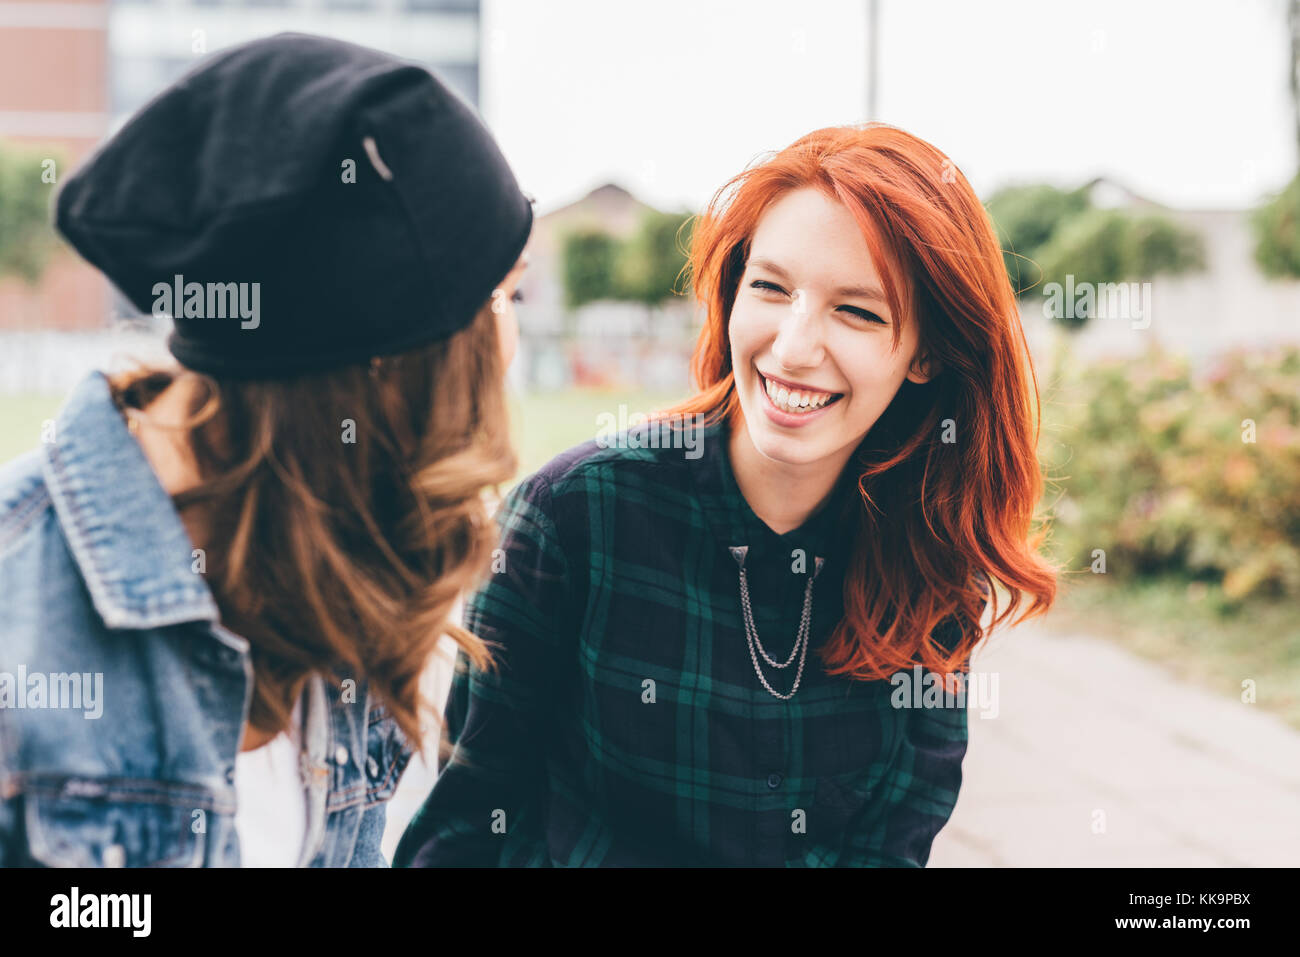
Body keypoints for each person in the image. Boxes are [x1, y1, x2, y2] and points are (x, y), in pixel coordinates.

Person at [395, 123, 1058, 867]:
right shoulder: (573, 516)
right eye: (771, 288)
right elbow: (462, 831)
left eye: (858, 311)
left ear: (927, 354)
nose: (794, 346)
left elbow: (891, 848)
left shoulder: (933, 565)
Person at [0, 32, 532, 867]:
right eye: (499, 297)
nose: (508, 342)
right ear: (387, 372)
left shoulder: (345, 552)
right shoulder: (17, 612)